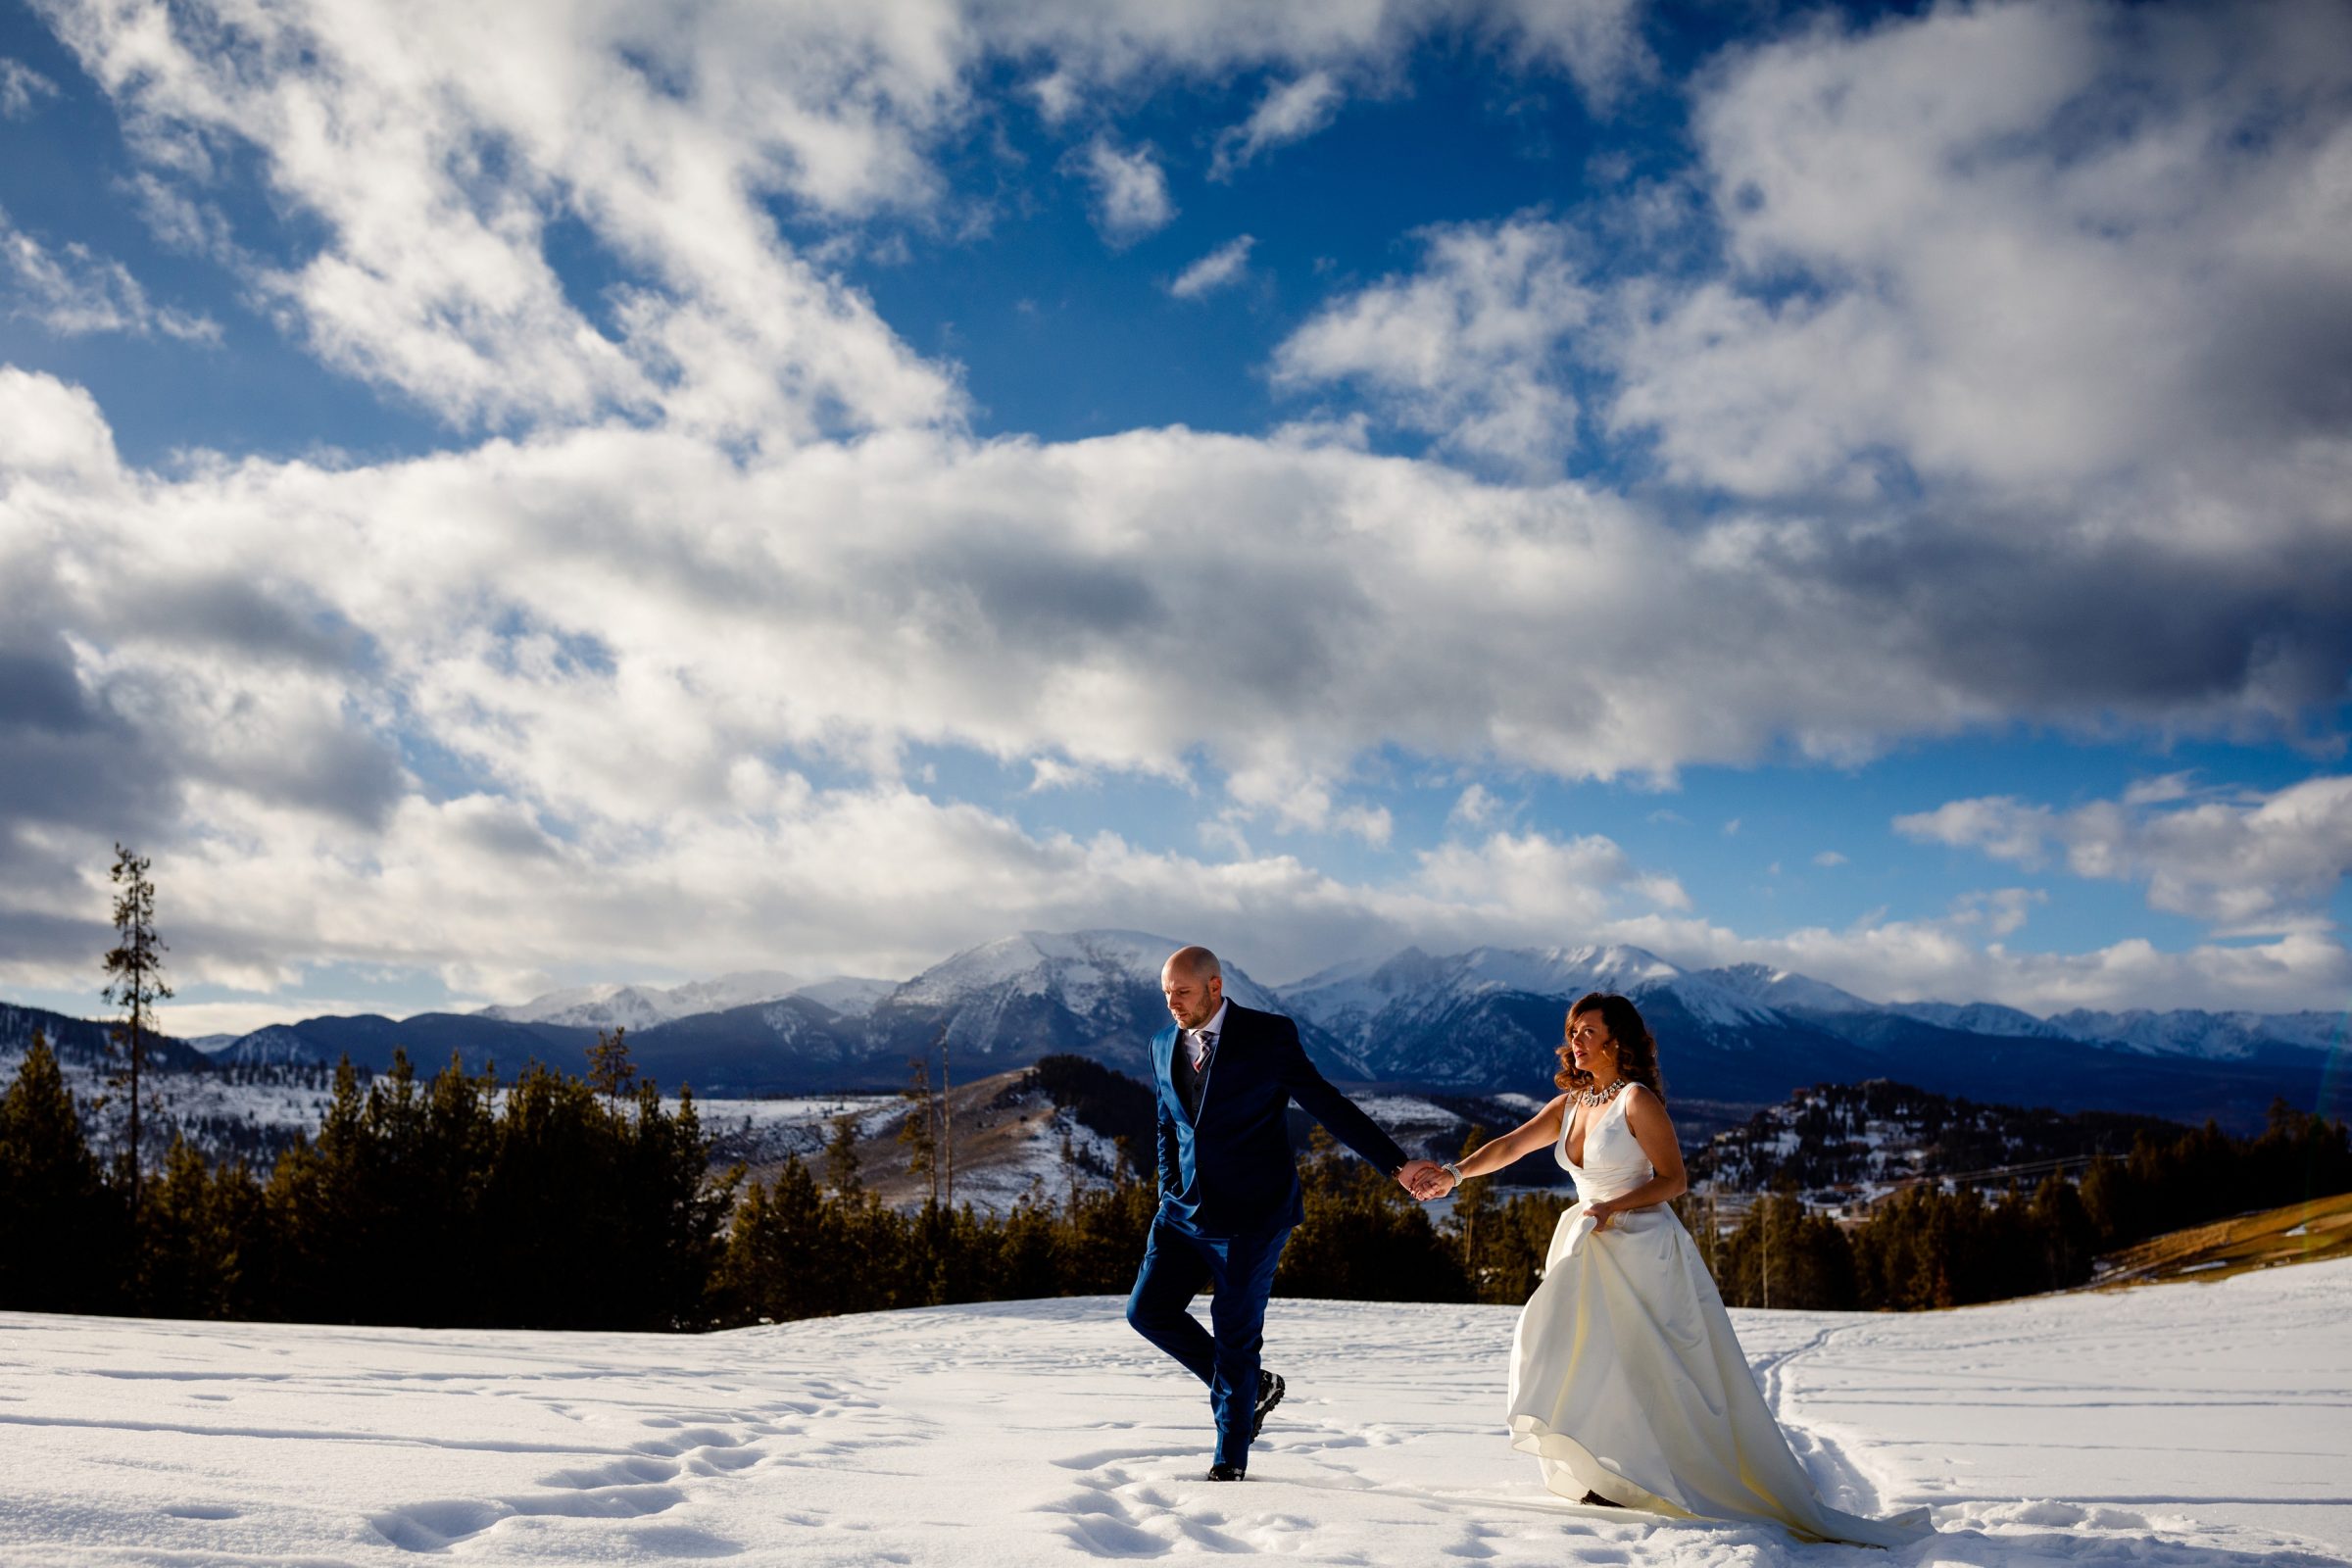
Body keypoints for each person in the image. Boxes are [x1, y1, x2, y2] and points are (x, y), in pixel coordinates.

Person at [1416, 992, 1930, 1547]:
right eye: (1573, 1030)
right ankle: (1606, 1473)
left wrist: (1612, 1207)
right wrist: (1453, 1174)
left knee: (1648, 1366)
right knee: (1580, 1355)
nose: (1576, 1040)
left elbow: (1674, 1180)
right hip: (1589, 1246)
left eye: (1588, 1030)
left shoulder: (1636, 1100)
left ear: (1617, 1041)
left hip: (1643, 1248)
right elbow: (1512, 1146)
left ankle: (1659, 1476)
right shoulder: (1570, 1104)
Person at [1127, 944, 1446, 1483]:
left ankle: (1230, 1459)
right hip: (1181, 1213)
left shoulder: (1268, 1036)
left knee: (1234, 1335)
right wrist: (1168, 1190)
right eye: (1166, 993)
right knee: (1147, 1312)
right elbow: (1167, 1122)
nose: (1172, 1003)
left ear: (1214, 987)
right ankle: (1253, 1389)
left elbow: (1328, 1104)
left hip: (1252, 1217)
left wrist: (1397, 1165)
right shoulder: (1162, 1043)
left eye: (1182, 992)